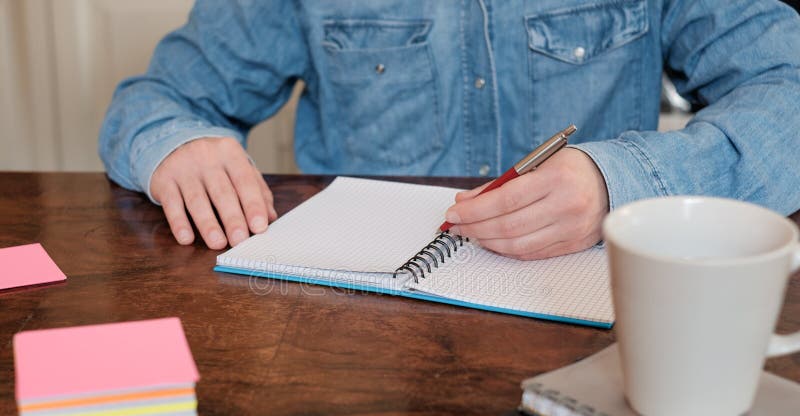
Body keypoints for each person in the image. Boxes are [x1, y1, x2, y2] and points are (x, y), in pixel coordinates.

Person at [99, 0, 800, 258]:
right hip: (361, 353)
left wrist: (622, 182)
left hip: (598, 333)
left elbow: (788, 92)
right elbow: (156, 98)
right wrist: (177, 143)